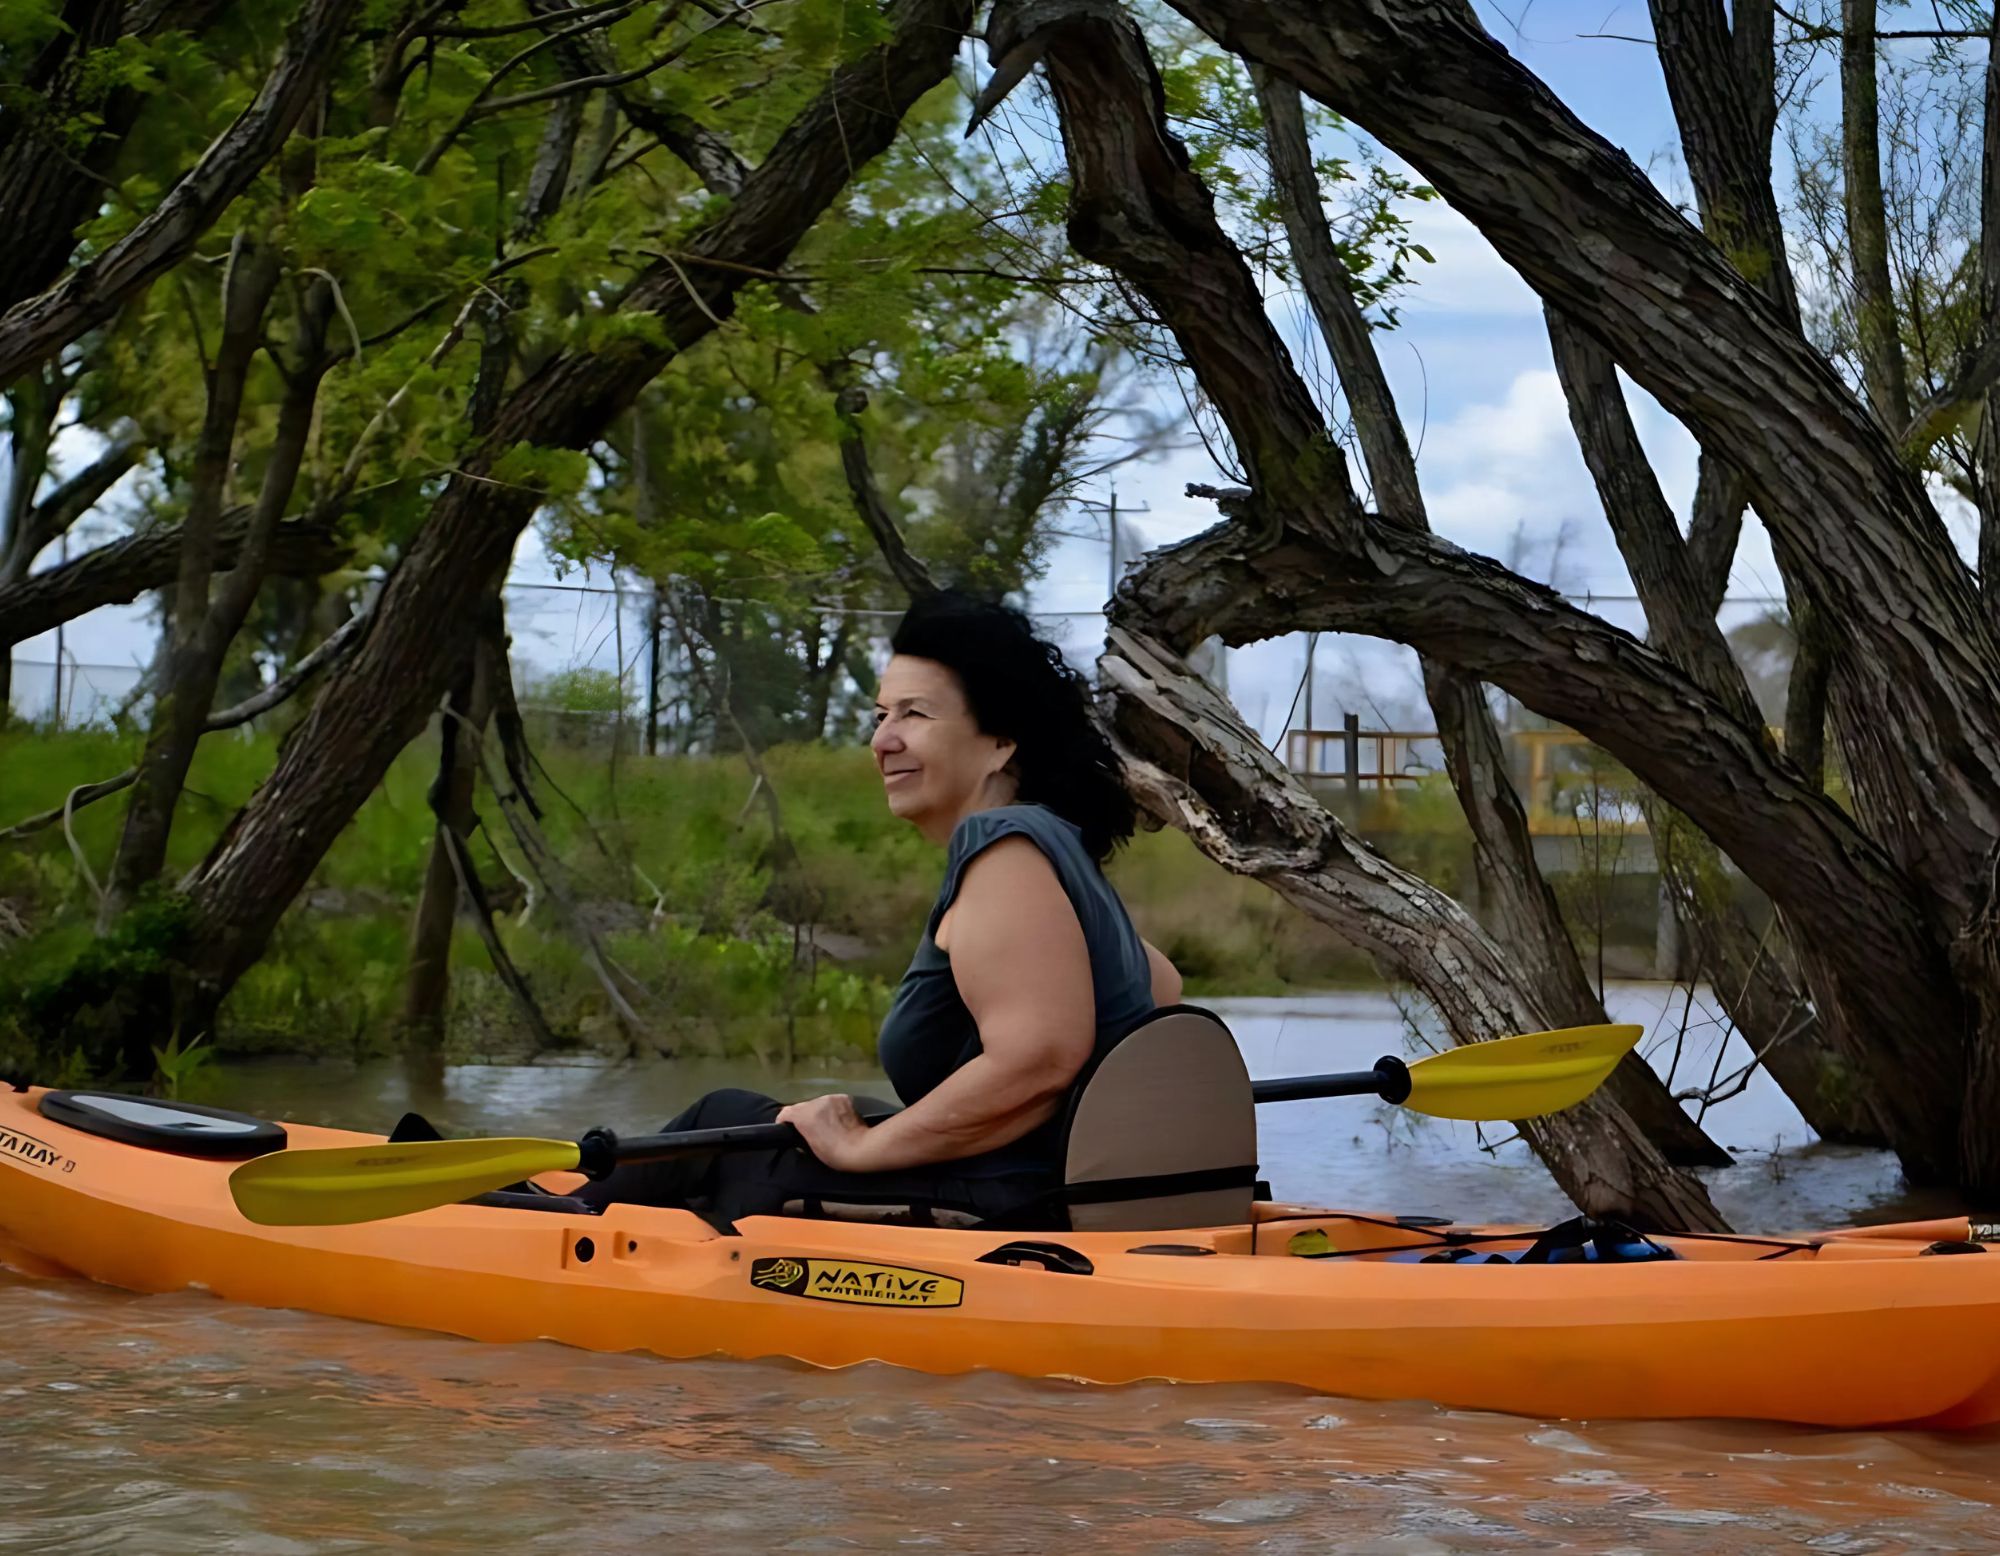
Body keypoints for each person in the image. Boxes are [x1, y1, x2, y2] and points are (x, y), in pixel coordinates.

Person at [573, 590, 1182, 1227]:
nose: (882, 741)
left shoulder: (1002, 850)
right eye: (880, 715)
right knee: (740, 1119)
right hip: (1031, 1183)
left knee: (720, 1127)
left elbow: (1040, 1059)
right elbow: (1158, 988)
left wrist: (866, 1147)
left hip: (1007, 1205)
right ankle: (576, 1219)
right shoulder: (1052, 847)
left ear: (1001, 742)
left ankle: (535, 1233)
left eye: (914, 715)